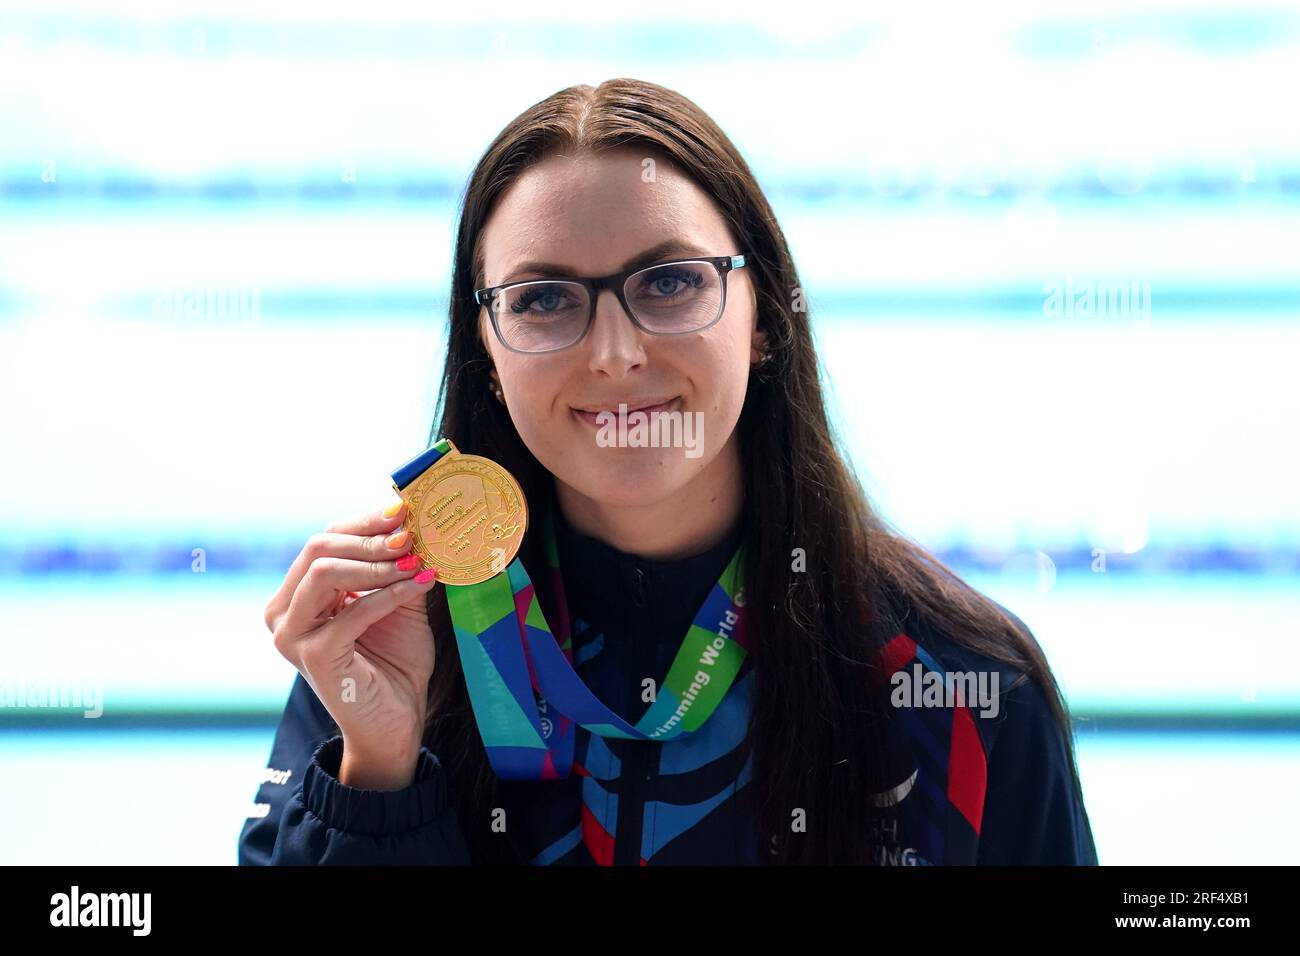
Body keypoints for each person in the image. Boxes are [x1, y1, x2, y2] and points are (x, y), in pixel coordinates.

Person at [239, 78, 1098, 866]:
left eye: (671, 283)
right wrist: (381, 771)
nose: (615, 354)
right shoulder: (392, 646)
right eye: (542, 300)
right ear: (488, 359)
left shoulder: (962, 685)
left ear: (763, 318)